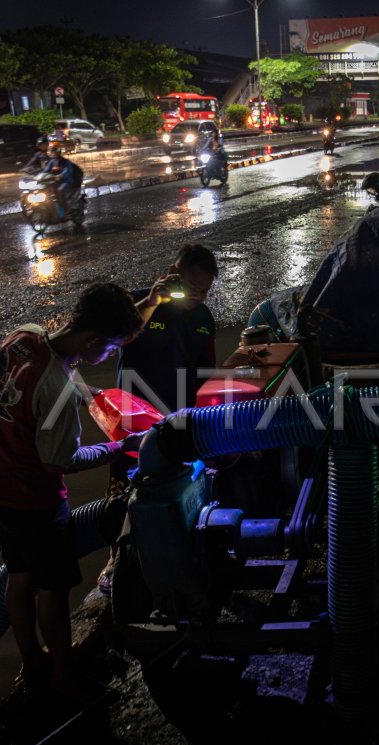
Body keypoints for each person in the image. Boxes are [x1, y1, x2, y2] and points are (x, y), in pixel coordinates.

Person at [0, 282, 145, 702]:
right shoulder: (58, 389)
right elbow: (60, 461)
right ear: (91, 340)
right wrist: (118, 447)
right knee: (53, 585)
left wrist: (89, 393)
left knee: (20, 574)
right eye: (110, 348)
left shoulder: (23, 337)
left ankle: (34, 662)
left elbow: (45, 380)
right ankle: (64, 674)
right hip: (32, 498)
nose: (111, 356)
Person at [95, 244, 219, 593]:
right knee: (123, 495)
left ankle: (177, 560)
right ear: (172, 272)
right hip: (132, 423)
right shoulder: (139, 305)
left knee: (183, 488)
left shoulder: (203, 319)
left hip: (178, 422)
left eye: (204, 289)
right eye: (191, 284)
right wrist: (153, 302)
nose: (196, 294)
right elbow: (114, 339)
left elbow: (205, 372)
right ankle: (115, 560)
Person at [46, 141, 85, 231]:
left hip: (67, 182)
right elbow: (45, 171)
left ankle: (65, 211)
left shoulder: (65, 162)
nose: (52, 153)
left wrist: (60, 176)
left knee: (59, 192)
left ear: (58, 151)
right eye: (51, 151)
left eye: (53, 151)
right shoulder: (51, 162)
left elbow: (67, 172)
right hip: (55, 183)